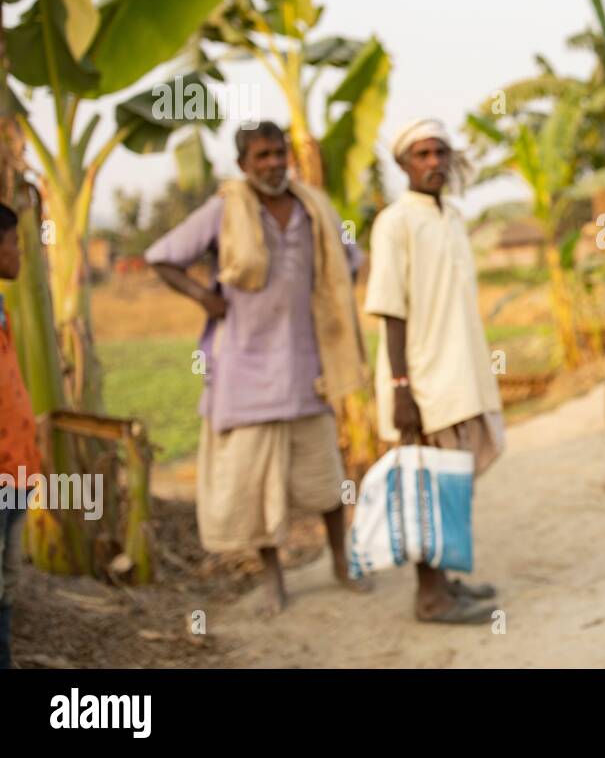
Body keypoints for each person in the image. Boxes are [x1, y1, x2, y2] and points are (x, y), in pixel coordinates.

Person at [146, 122, 371, 615]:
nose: (272, 164)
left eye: (278, 154)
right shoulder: (224, 210)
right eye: (261, 156)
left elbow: (350, 260)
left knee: (325, 479)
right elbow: (161, 258)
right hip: (244, 371)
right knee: (254, 487)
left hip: (307, 367)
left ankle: (340, 563)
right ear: (244, 164)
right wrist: (204, 297)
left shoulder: (314, 207)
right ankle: (274, 582)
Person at [364, 118, 504, 624]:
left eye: (439, 153)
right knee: (425, 489)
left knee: (449, 484)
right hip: (422, 382)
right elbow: (390, 310)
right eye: (420, 155)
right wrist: (403, 389)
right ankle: (429, 598)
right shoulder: (395, 223)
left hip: (460, 378)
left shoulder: (451, 216)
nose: (432, 163)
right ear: (402, 164)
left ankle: (446, 583)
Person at [0, 203, 41, 668]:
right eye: (14, 243)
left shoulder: (3, 311)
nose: (19, 253)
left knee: (7, 584)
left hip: (15, 474)